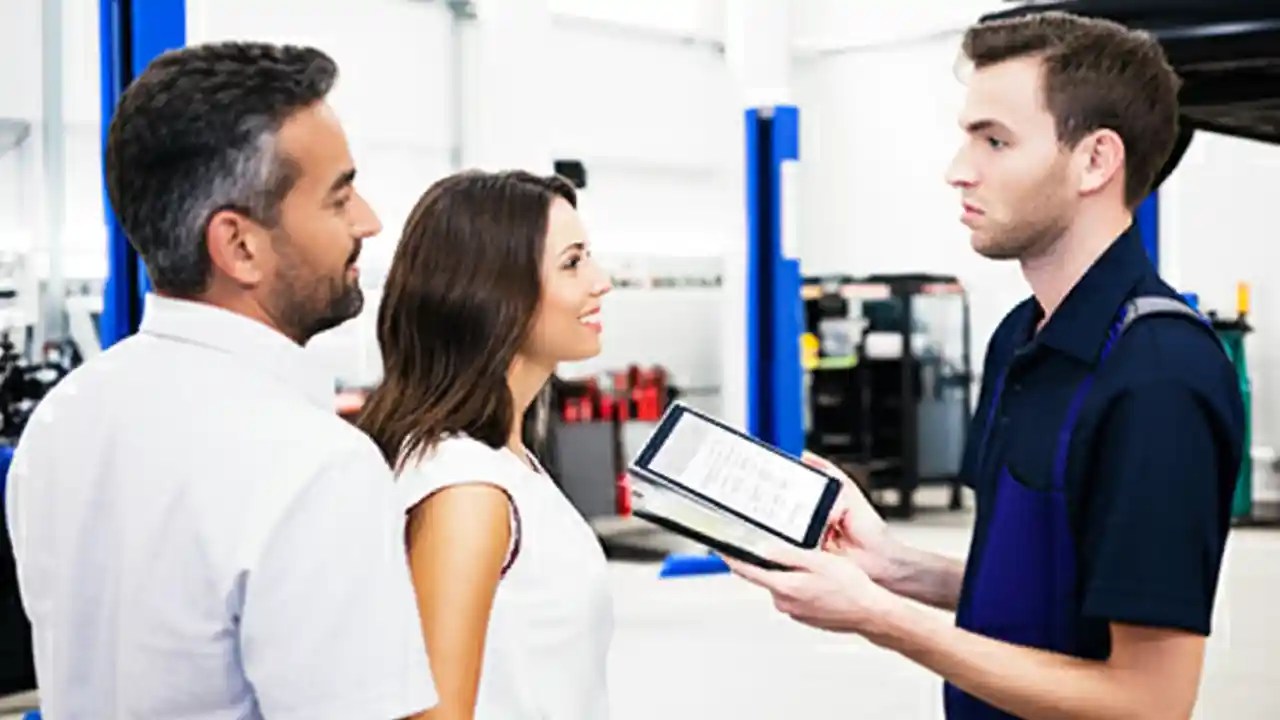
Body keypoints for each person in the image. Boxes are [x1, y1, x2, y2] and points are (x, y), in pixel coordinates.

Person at [727, 12, 1244, 720]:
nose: (957, 170)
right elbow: (1042, 592)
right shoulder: (1020, 339)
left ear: (1096, 160)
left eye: (995, 140)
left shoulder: (1158, 376)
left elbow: (1149, 702)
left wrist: (882, 618)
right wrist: (893, 567)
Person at [4, 42, 437, 719]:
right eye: (339, 197)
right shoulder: (315, 467)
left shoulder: (64, 421)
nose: (369, 221)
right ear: (239, 246)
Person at [357, 169, 615, 720]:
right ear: (496, 295)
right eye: (572, 263)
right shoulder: (465, 487)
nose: (601, 281)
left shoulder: (503, 461)